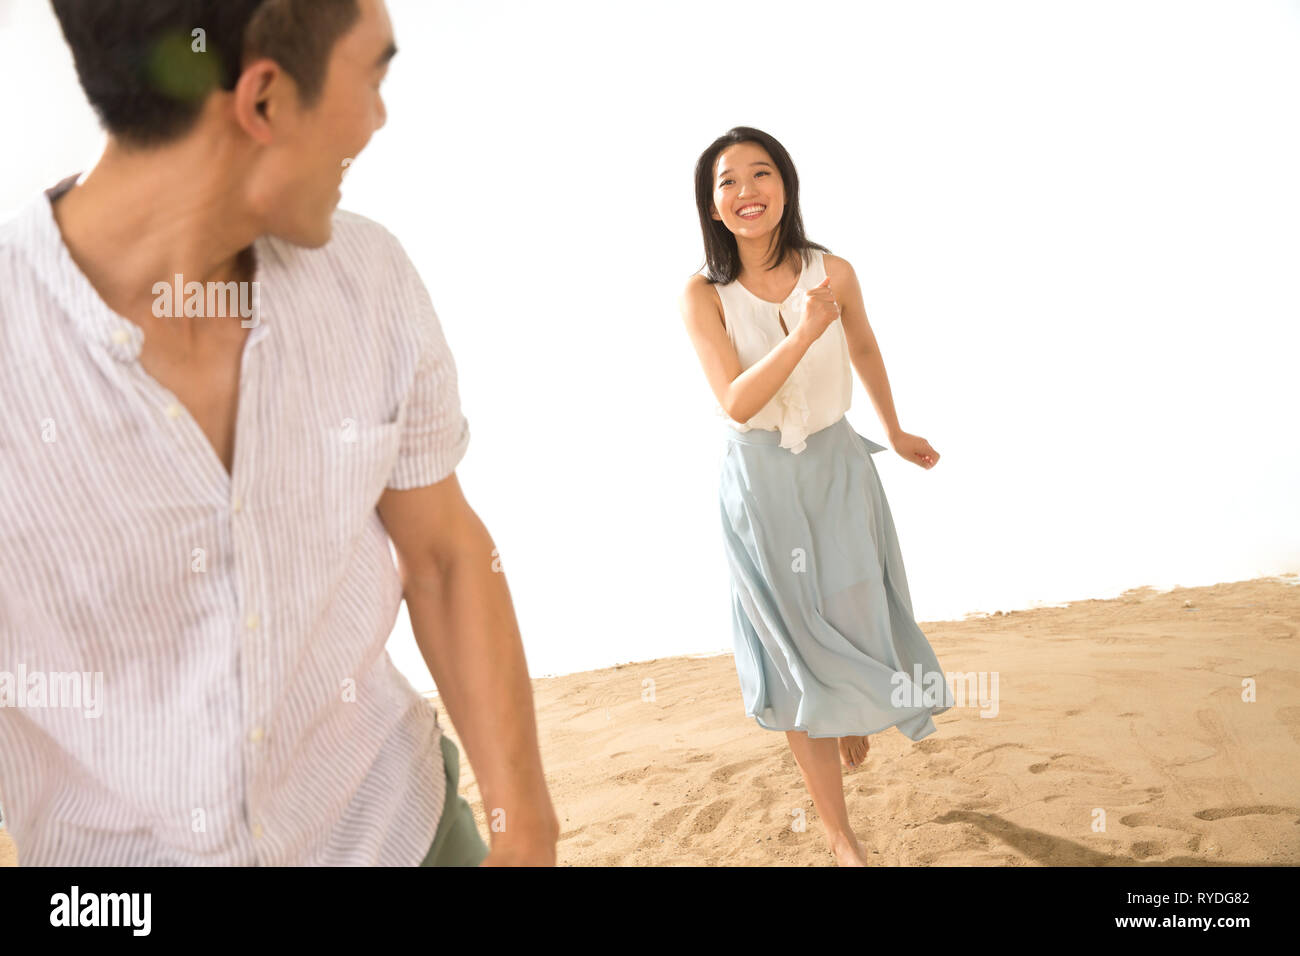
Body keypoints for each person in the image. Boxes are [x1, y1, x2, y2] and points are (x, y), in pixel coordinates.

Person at [0, 0, 558, 866]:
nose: (378, 118)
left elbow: (446, 557)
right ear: (262, 101)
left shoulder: (370, 282)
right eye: (372, 77)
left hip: (402, 833)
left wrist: (525, 833)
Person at [679, 126, 956, 866]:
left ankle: (848, 708)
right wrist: (803, 333)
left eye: (760, 174)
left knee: (860, 609)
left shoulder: (834, 271)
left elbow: (863, 346)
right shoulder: (702, 294)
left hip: (837, 466)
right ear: (711, 206)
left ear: (786, 186)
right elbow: (736, 402)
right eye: (727, 182)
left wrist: (893, 431)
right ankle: (842, 838)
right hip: (760, 483)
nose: (746, 192)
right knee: (791, 644)